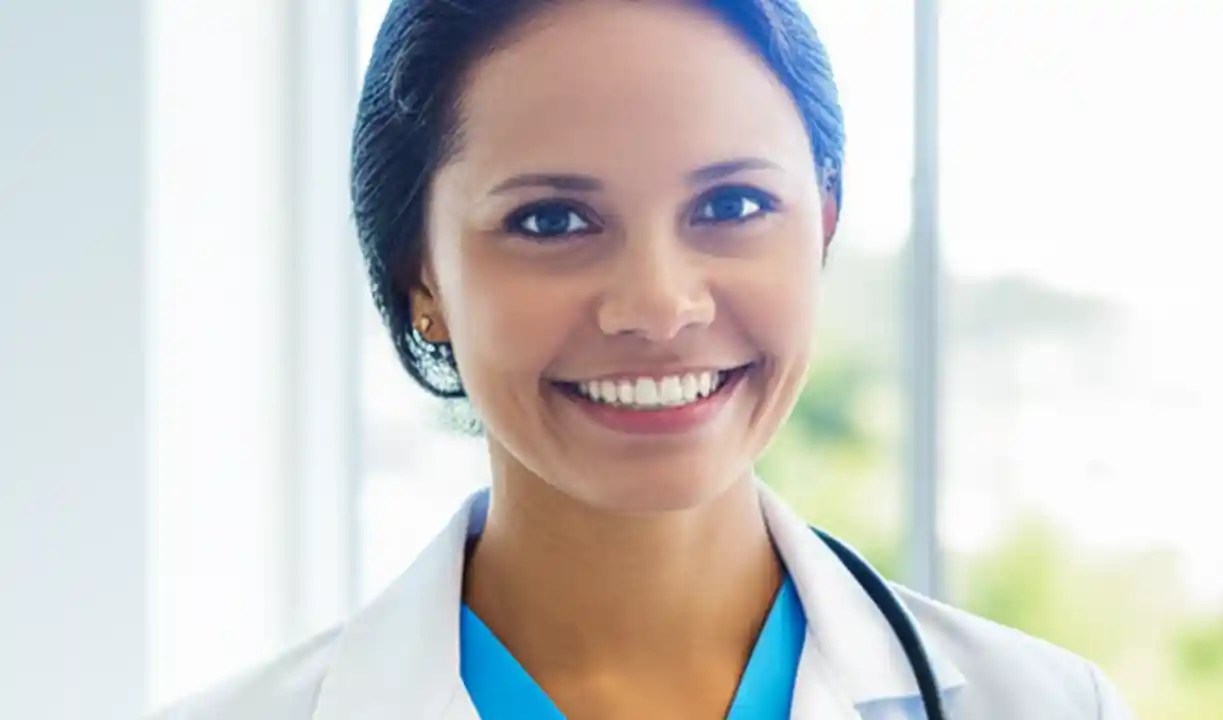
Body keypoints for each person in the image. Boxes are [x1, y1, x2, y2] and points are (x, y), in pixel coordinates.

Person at [151, 0, 1133, 717]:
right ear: (424, 279)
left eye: (733, 206)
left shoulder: (1044, 707)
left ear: (821, 224)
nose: (658, 306)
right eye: (550, 219)